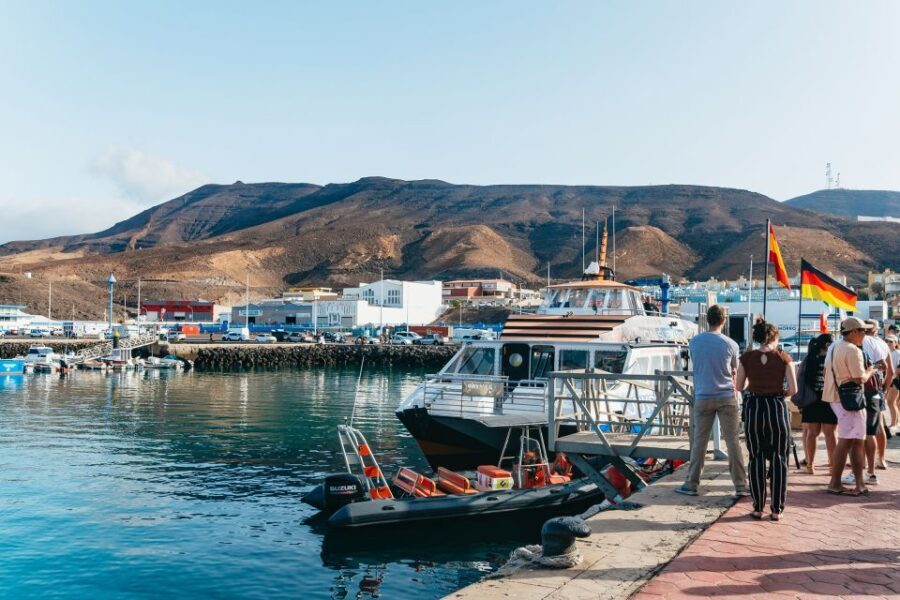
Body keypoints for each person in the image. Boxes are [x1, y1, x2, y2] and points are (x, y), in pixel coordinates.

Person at [675, 305, 749, 498]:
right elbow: (736, 370)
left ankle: (691, 484)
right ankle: (740, 485)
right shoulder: (731, 344)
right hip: (726, 396)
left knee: (700, 442)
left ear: (707, 320)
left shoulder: (694, 342)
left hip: (703, 396)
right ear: (724, 321)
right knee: (733, 441)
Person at [735, 318, 797, 521]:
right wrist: (780, 392)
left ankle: (758, 507)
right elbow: (793, 389)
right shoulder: (783, 358)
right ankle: (777, 509)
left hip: (754, 408)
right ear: (774, 337)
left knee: (756, 457)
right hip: (776, 408)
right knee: (779, 457)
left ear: (756, 337)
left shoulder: (746, 358)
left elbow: (739, 386)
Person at [823, 317, 875, 497]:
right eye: (863, 331)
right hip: (850, 400)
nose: (865, 335)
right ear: (853, 332)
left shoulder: (835, 347)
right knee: (849, 441)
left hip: (837, 397)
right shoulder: (853, 350)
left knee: (852, 441)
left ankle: (854, 483)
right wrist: (871, 370)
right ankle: (838, 483)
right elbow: (860, 378)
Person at [799, 334, 836, 474]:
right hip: (829, 398)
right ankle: (833, 465)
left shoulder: (809, 358)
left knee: (812, 433)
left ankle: (810, 464)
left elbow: (800, 377)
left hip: (811, 400)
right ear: (827, 345)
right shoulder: (832, 358)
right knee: (830, 434)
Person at [886, 335, 900, 433]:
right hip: (890, 379)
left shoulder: (898, 353)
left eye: (891, 341)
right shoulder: (887, 353)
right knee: (892, 402)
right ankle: (896, 422)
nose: (888, 343)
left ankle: (894, 423)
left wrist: (892, 378)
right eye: (887, 341)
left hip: (896, 380)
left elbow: (897, 369)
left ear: (896, 343)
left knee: (891, 401)